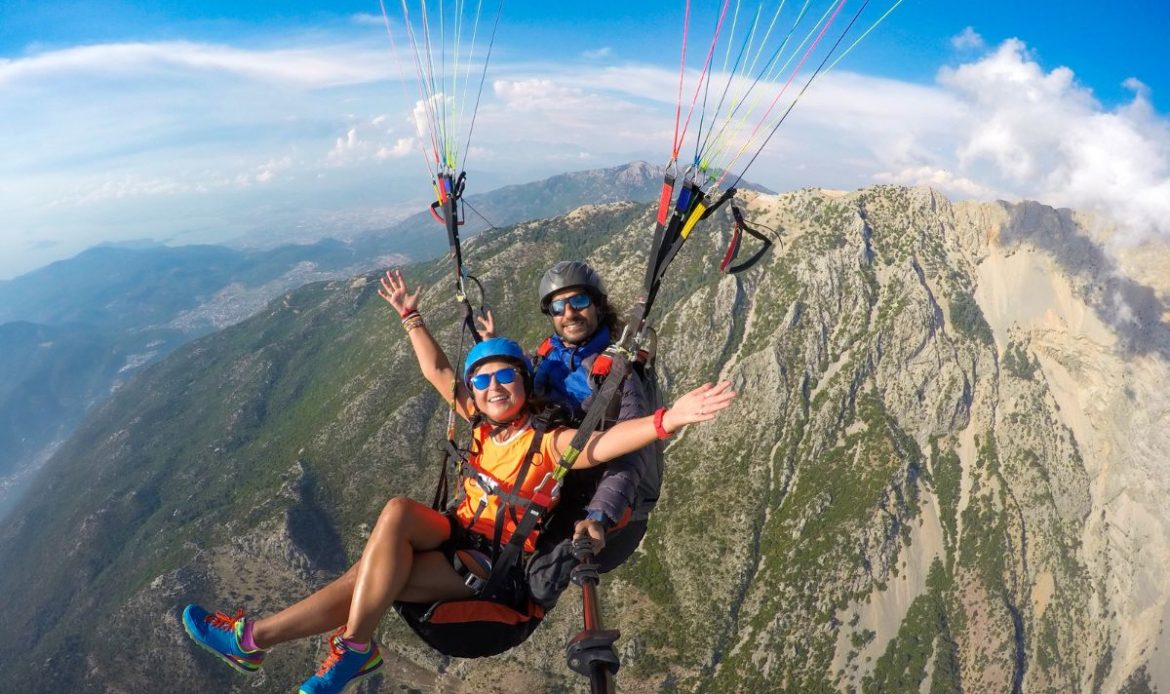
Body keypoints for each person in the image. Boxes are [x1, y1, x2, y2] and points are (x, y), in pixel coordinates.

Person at [180, 269, 736, 694]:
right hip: (454, 531)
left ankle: (286, 643)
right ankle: (287, 643)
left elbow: (604, 445)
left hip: (487, 563)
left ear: (525, 385)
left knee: (369, 581)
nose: (494, 387)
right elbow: (439, 372)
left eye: (505, 378)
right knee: (393, 519)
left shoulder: (546, 441)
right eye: (485, 380)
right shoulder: (478, 422)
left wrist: (669, 419)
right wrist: (410, 317)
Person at [479, 261, 659, 579]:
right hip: (555, 481)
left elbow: (631, 454)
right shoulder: (550, 358)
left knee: (533, 578)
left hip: (598, 501)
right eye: (558, 306)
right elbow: (516, 395)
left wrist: (600, 516)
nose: (569, 313)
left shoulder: (619, 374)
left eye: (578, 302)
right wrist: (491, 350)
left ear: (598, 306)